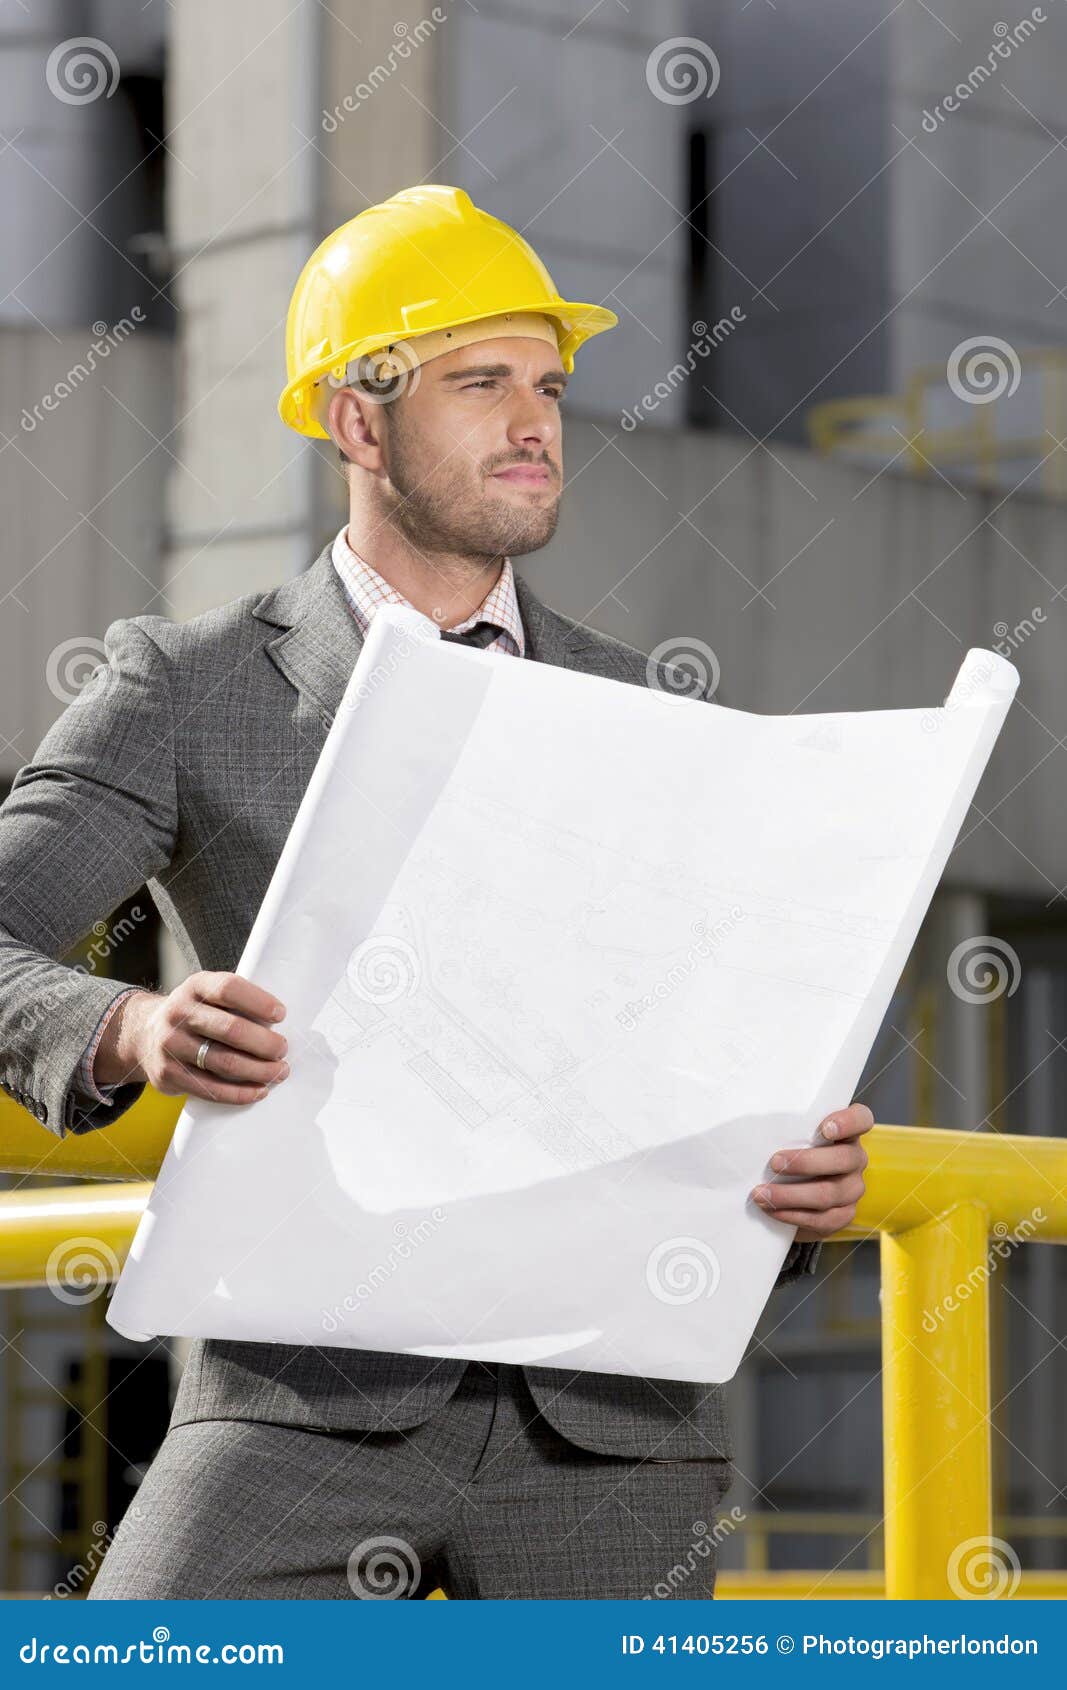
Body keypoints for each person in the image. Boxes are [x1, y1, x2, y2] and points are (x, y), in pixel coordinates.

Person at [0, 185, 871, 1600]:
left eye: (549, 385)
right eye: (482, 384)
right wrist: (132, 1029)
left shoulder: (647, 710)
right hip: (304, 1398)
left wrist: (793, 1170)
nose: (536, 423)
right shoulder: (189, 686)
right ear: (359, 421)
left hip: (610, 1426)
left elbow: (715, 1046)